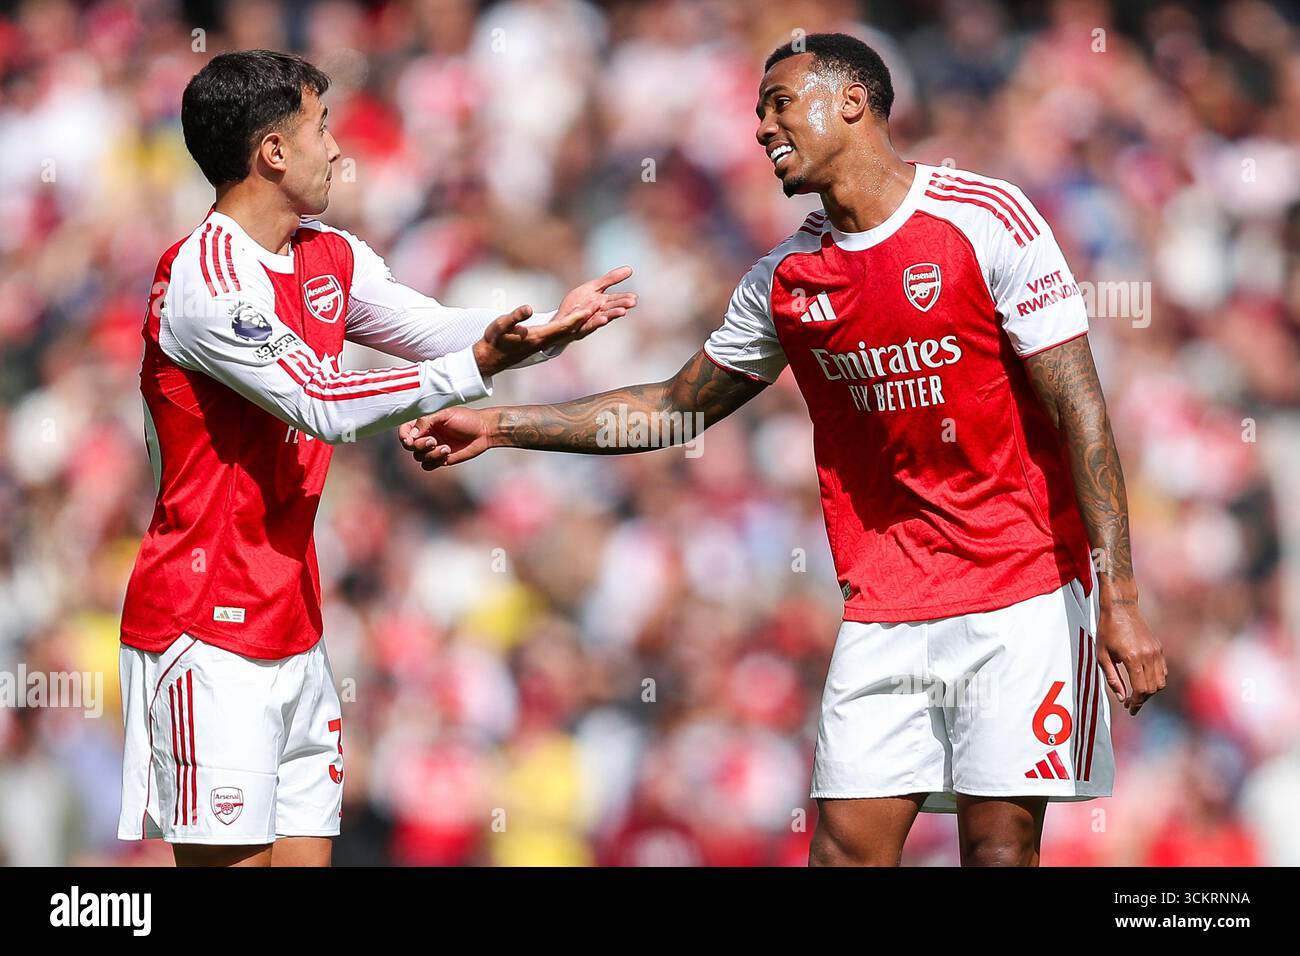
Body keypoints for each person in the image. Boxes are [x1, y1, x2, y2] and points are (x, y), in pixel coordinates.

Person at [401, 33, 1167, 867]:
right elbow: (671, 409)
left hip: (1021, 588)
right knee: (842, 851)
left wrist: (1119, 596)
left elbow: (1080, 407)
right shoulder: (784, 280)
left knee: (999, 846)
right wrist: (501, 423)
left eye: (778, 105)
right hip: (885, 601)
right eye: (756, 113)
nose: (762, 128)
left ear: (851, 102)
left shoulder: (985, 222)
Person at [117, 49, 636, 867]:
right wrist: (478, 372)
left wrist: (542, 331)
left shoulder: (329, 253)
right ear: (273, 152)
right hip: (206, 630)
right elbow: (321, 402)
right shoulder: (204, 281)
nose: (339, 149)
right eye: (323, 128)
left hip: (292, 618)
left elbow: (434, 329)